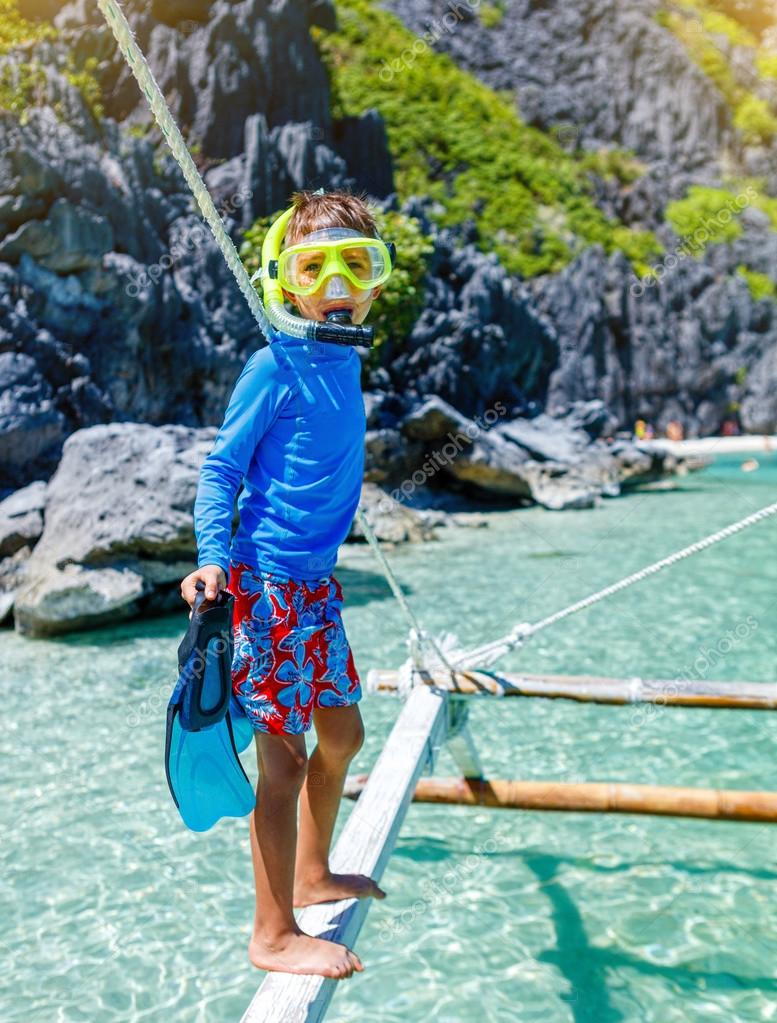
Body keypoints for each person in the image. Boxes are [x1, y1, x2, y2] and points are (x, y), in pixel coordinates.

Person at [179, 190, 394, 980]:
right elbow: (221, 469)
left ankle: (312, 870)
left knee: (343, 738)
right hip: (265, 588)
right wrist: (210, 556)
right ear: (286, 279)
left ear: (375, 279)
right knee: (284, 764)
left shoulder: (343, 358)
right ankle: (271, 932)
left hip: (315, 590)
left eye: (355, 264)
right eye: (315, 265)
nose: (335, 281)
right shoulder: (274, 364)